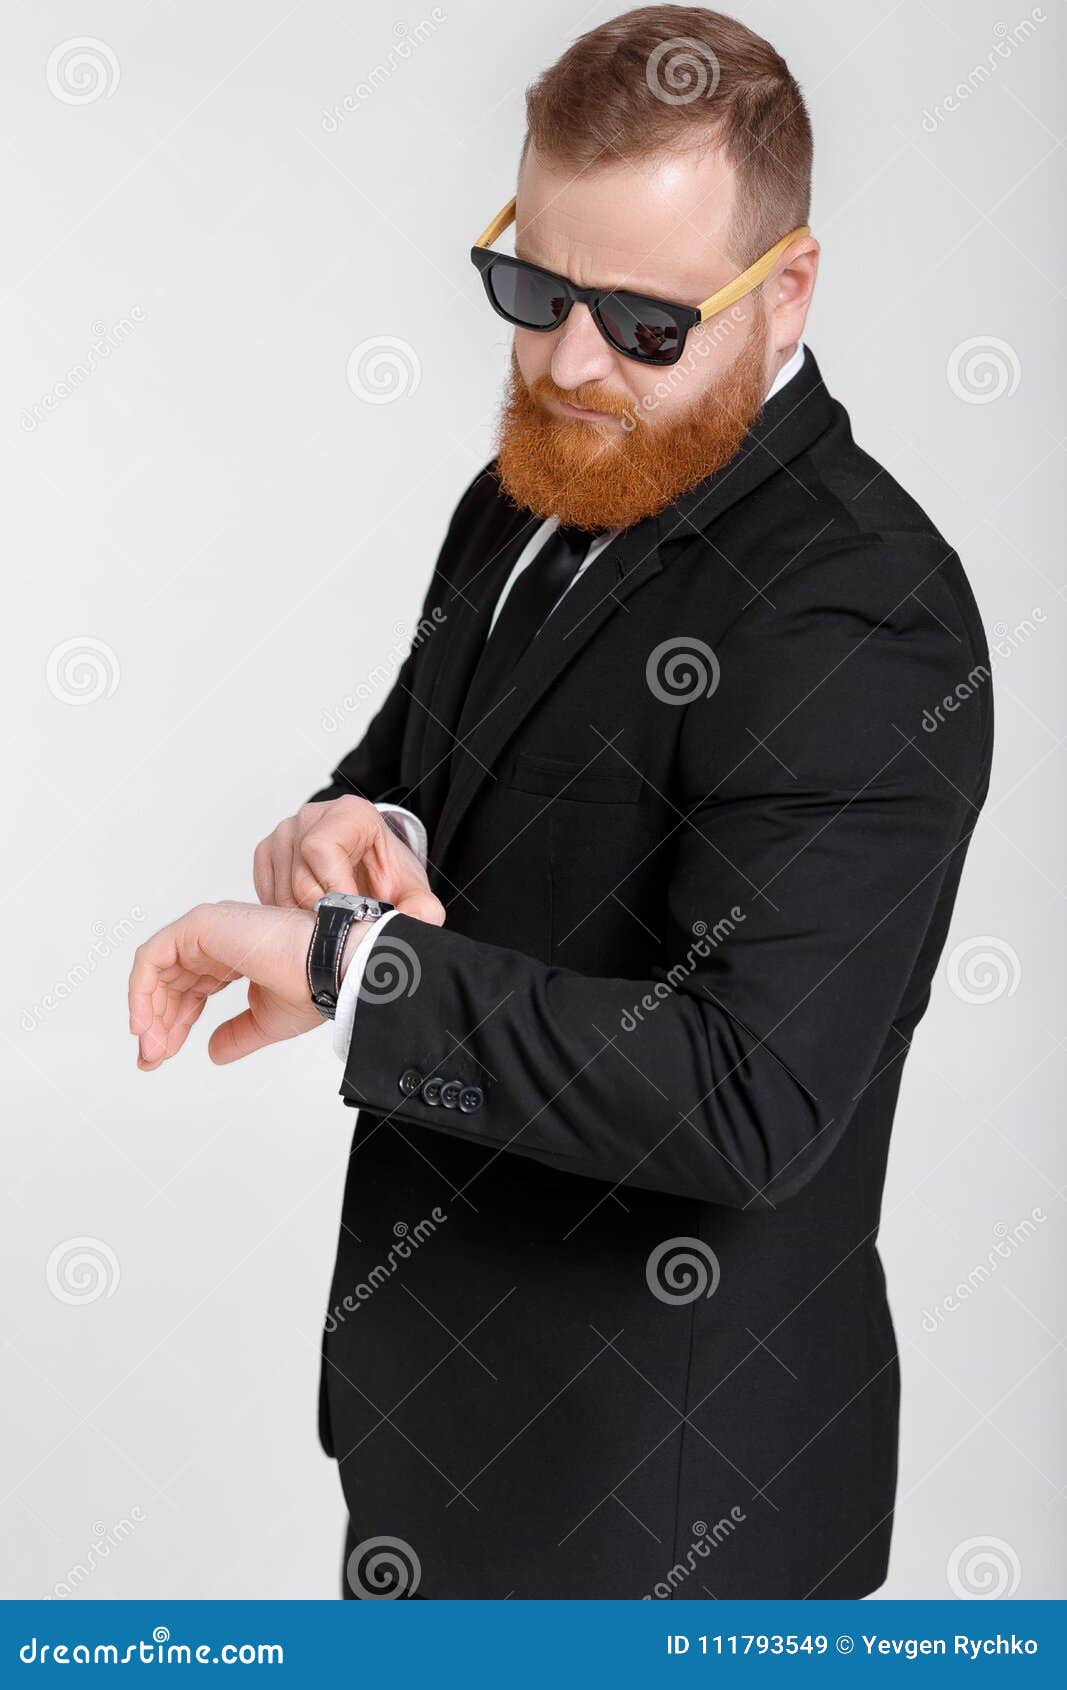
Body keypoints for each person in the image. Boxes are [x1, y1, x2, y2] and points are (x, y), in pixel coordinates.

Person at [128, 6, 992, 1599]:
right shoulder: (530, 481)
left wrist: (345, 972)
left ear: (785, 290)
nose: (572, 364)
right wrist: (352, 832)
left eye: (646, 323)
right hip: (438, 1444)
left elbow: (746, 1098)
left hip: (664, 1521)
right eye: (533, 290)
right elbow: (416, 768)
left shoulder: (861, 614)